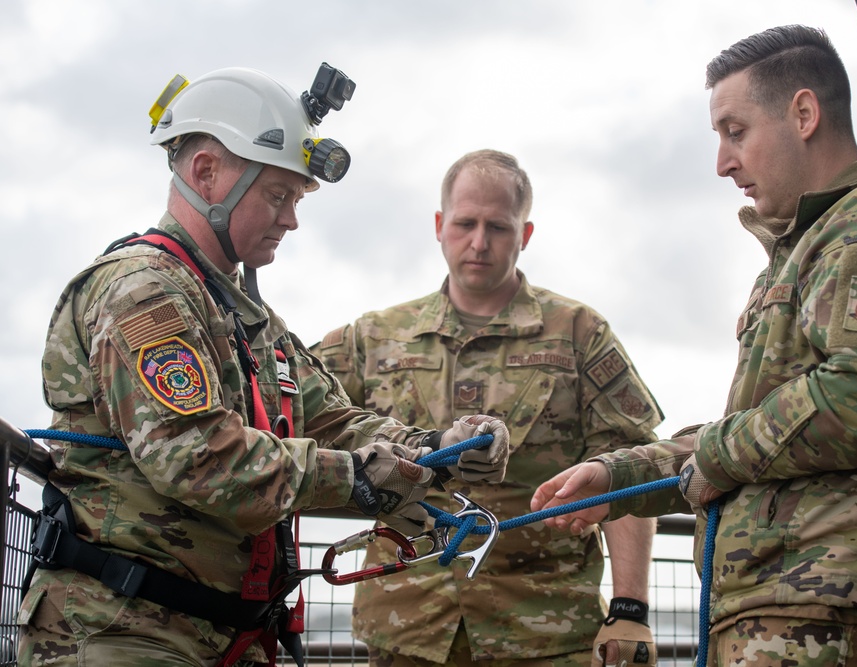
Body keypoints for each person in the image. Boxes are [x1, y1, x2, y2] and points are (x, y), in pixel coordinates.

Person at [18, 66, 511, 667]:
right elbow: (197, 456)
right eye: (277, 196)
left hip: (224, 636)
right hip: (125, 632)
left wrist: (437, 448)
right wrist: (354, 476)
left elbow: (330, 420)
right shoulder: (143, 294)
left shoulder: (245, 315)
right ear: (206, 172)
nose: (292, 219)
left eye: (295, 199)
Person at [531, 25, 857, 667]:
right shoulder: (811, 247)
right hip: (776, 609)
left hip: (825, 616)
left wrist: (712, 452)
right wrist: (616, 478)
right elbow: (754, 434)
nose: (722, 162)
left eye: (735, 132)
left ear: (803, 113)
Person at [313, 149, 664, 667]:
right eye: (465, 224)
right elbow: (302, 422)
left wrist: (630, 606)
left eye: (498, 227)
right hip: (406, 627)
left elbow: (627, 466)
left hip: (543, 626)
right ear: (439, 225)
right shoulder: (371, 339)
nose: (479, 243)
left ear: (524, 234)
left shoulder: (578, 333)